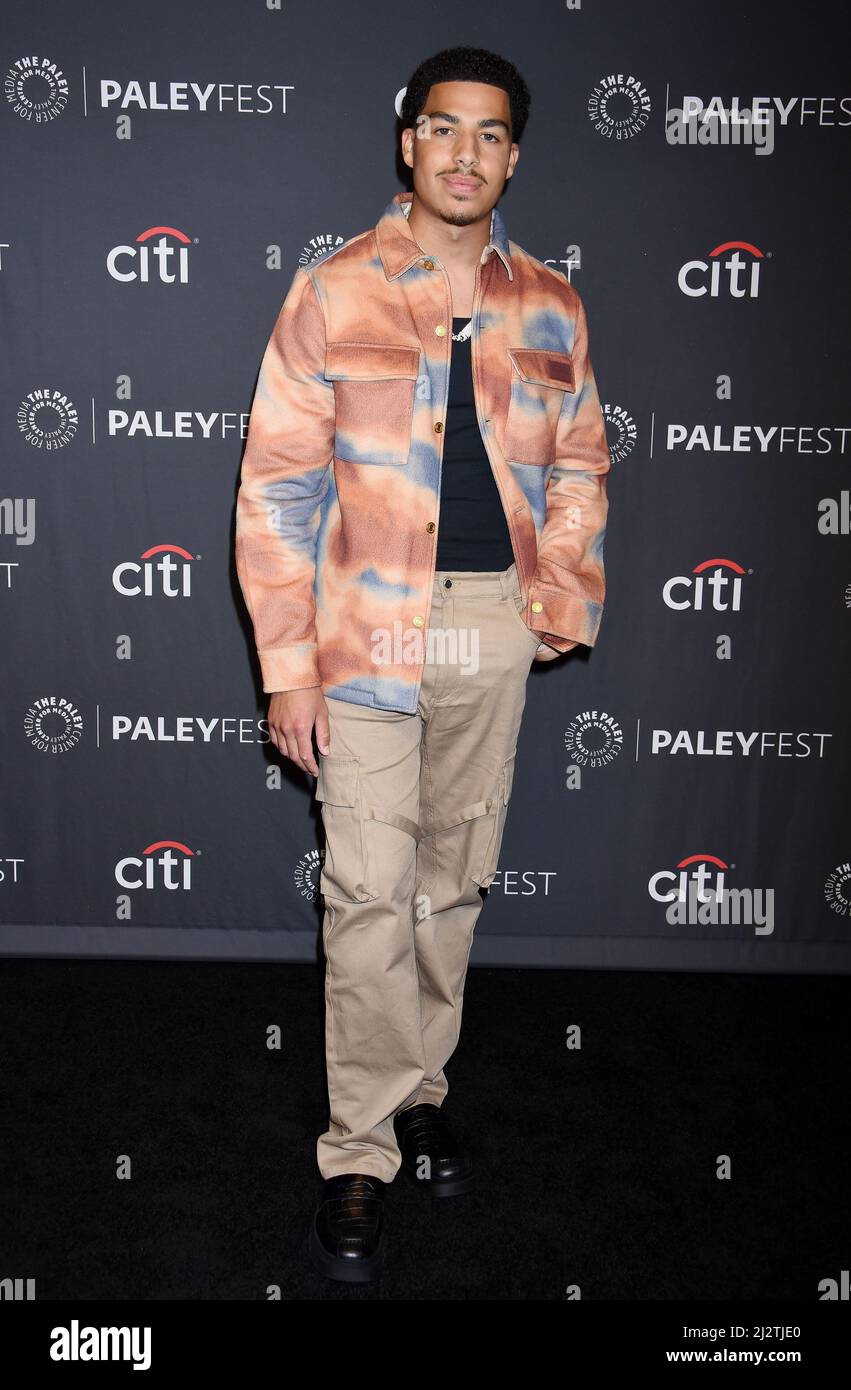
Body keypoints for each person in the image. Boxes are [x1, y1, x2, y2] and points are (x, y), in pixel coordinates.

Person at [234, 45, 612, 1283]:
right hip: (362, 627)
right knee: (363, 887)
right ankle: (356, 1150)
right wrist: (286, 666)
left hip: (488, 622)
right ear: (408, 142)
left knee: (451, 880)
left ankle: (416, 1089)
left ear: (512, 153)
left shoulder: (550, 299)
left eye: (490, 134)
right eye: (442, 129)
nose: (464, 154)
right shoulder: (331, 290)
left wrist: (550, 591)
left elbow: (579, 464)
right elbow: (278, 491)